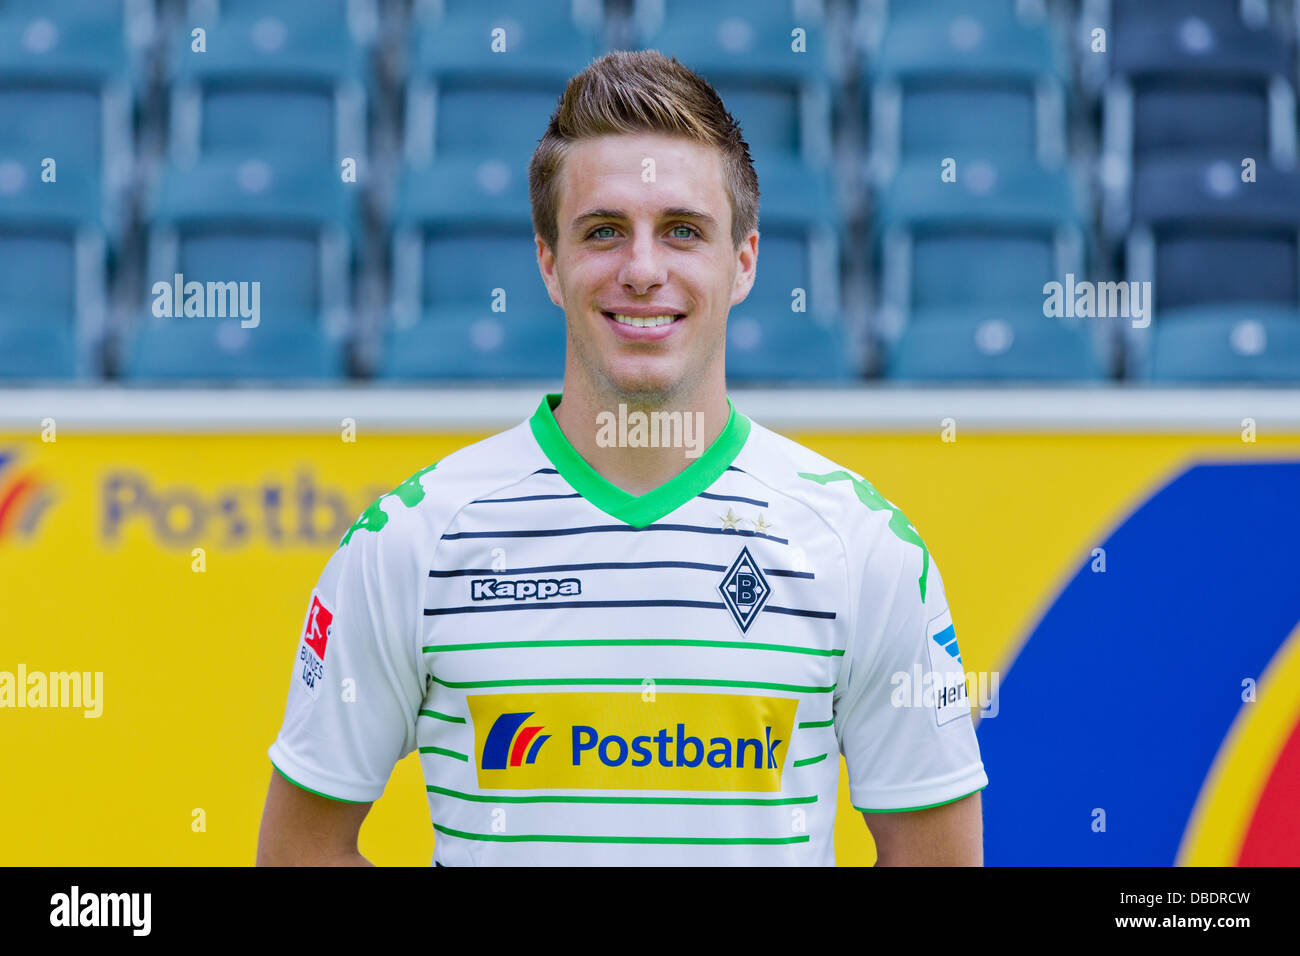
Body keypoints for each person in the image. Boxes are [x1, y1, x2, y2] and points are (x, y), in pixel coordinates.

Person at [257, 49, 987, 866]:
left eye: (683, 231)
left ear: (742, 262)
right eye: (604, 231)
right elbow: (300, 852)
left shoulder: (864, 547)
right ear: (549, 262)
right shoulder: (412, 540)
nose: (643, 270)